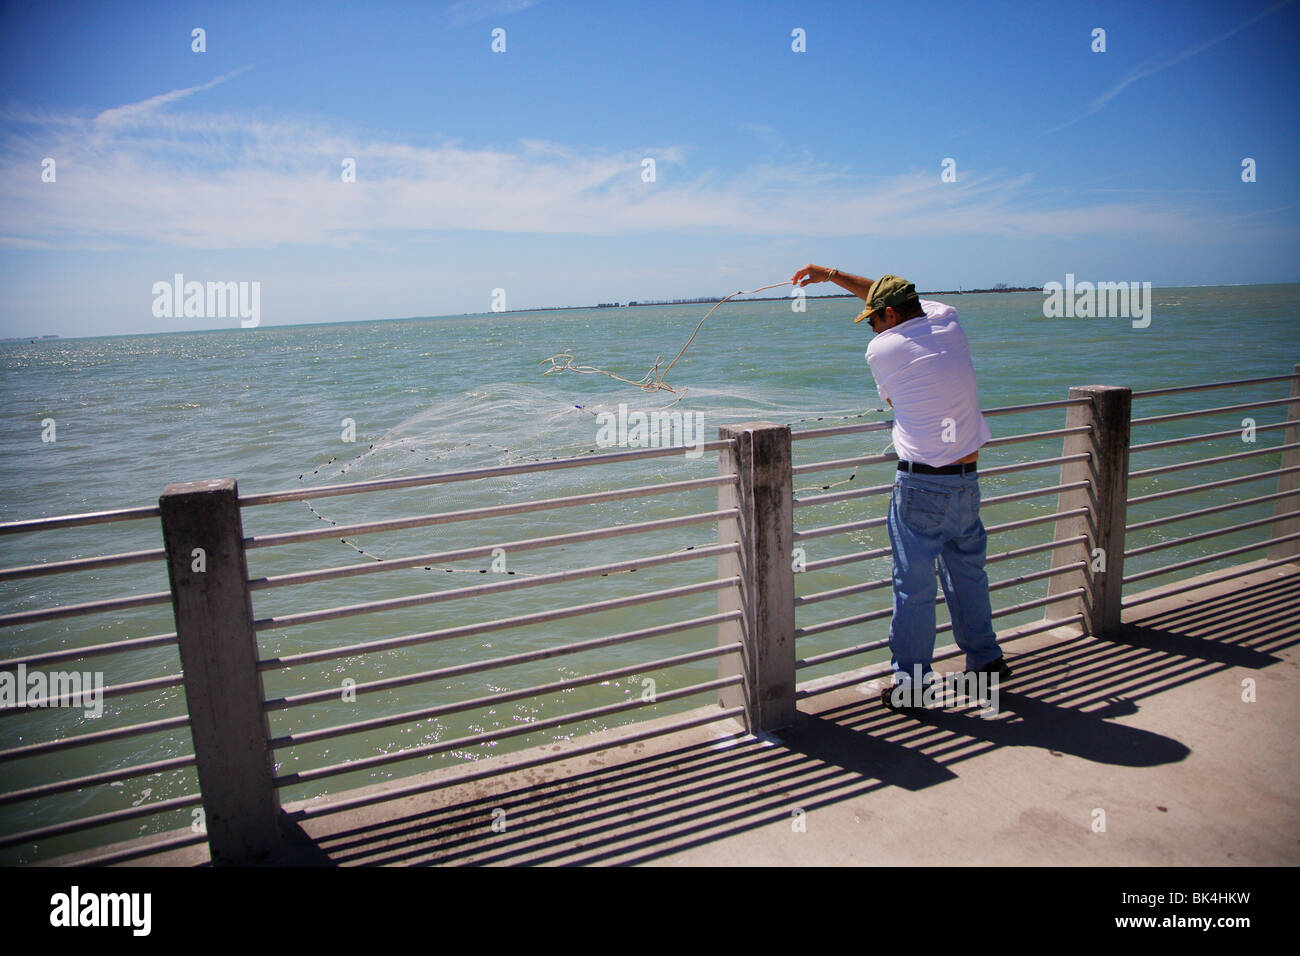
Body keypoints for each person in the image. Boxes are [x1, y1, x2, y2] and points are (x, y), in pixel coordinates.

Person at [792, 265, 1012, 712]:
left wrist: (829, 275)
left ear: (890, 318)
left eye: (872, 318)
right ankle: (986, 660)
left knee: (912, 586)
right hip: (967, 480)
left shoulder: (883, 349)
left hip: (923, 484)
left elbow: (894, 401)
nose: (868, 324)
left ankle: (912, 683)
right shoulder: (946, 318)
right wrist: (831, 275)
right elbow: (895, 298)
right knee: (967, 574)